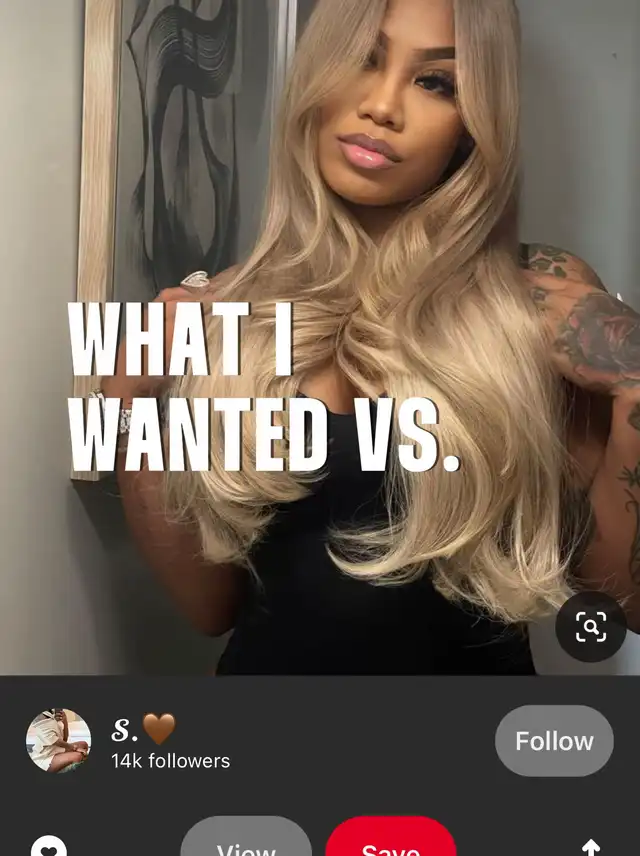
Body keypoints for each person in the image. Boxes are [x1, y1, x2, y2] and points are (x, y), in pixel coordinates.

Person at [102, 0, 640, 674]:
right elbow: (209, 606)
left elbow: (623, 598)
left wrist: (633, 382)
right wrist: (126, 401)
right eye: (364, 58)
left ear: (472, 126)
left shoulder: (532, 301)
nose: (382, 107)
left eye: (436, 82)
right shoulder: (229, 312)